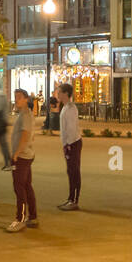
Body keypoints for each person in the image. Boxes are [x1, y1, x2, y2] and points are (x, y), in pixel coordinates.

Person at [6, 88, 38, 231]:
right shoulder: (26, 114)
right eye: (15, 97)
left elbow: (25, 135)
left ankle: (21, 218)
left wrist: (16, 153)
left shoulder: (25, 115)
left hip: (22, 156)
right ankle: (33, 216)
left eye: (19, 97)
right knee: (26, 185)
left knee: (19, 187)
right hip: (27, 154)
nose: (16, 99)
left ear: (26, 99)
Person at [57, 82, 82, 210]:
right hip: (69, 144)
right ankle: (70, 198)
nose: (57, 93)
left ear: (66, 93)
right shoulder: (66, 107)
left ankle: (74, 200)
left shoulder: (71, 108)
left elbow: (71, 129)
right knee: (70, 171)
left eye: (59, 91)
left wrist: (68, 145)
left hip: (73, 144)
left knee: (74, 171)